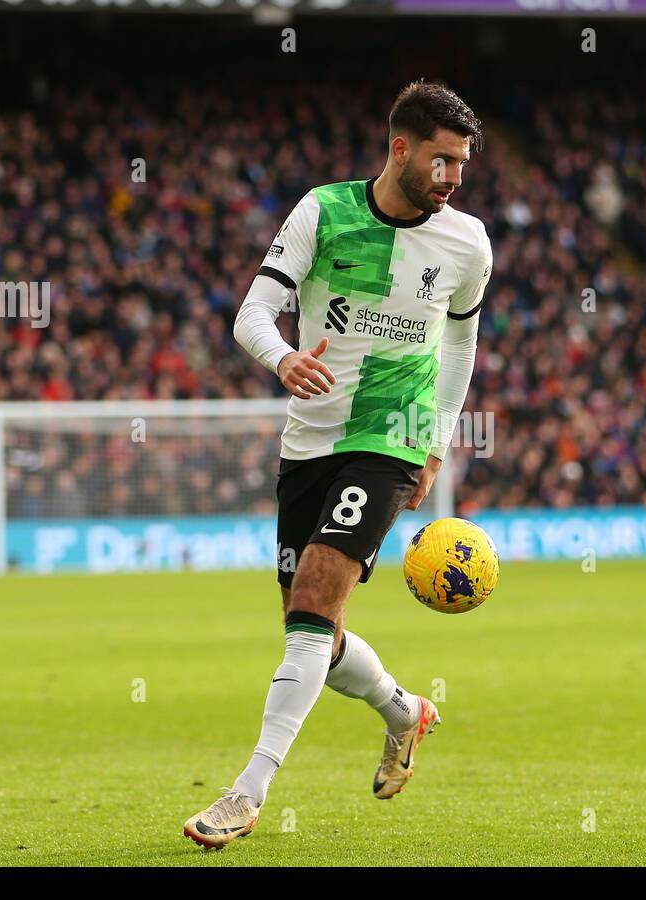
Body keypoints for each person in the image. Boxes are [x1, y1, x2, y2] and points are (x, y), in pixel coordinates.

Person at [184, 81, 493, 848]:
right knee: (311, 632)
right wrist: (285, 359)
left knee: (314, 605)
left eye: (462, 163)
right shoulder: (323, 212)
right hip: (309, 438)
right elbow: (251, 315)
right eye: (442, 160)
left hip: (389, 435)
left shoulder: (468, 243)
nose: (454, 177)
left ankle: (245, 793)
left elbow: (460, 346)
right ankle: (402, 710)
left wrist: (434, 442)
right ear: (400, 149)